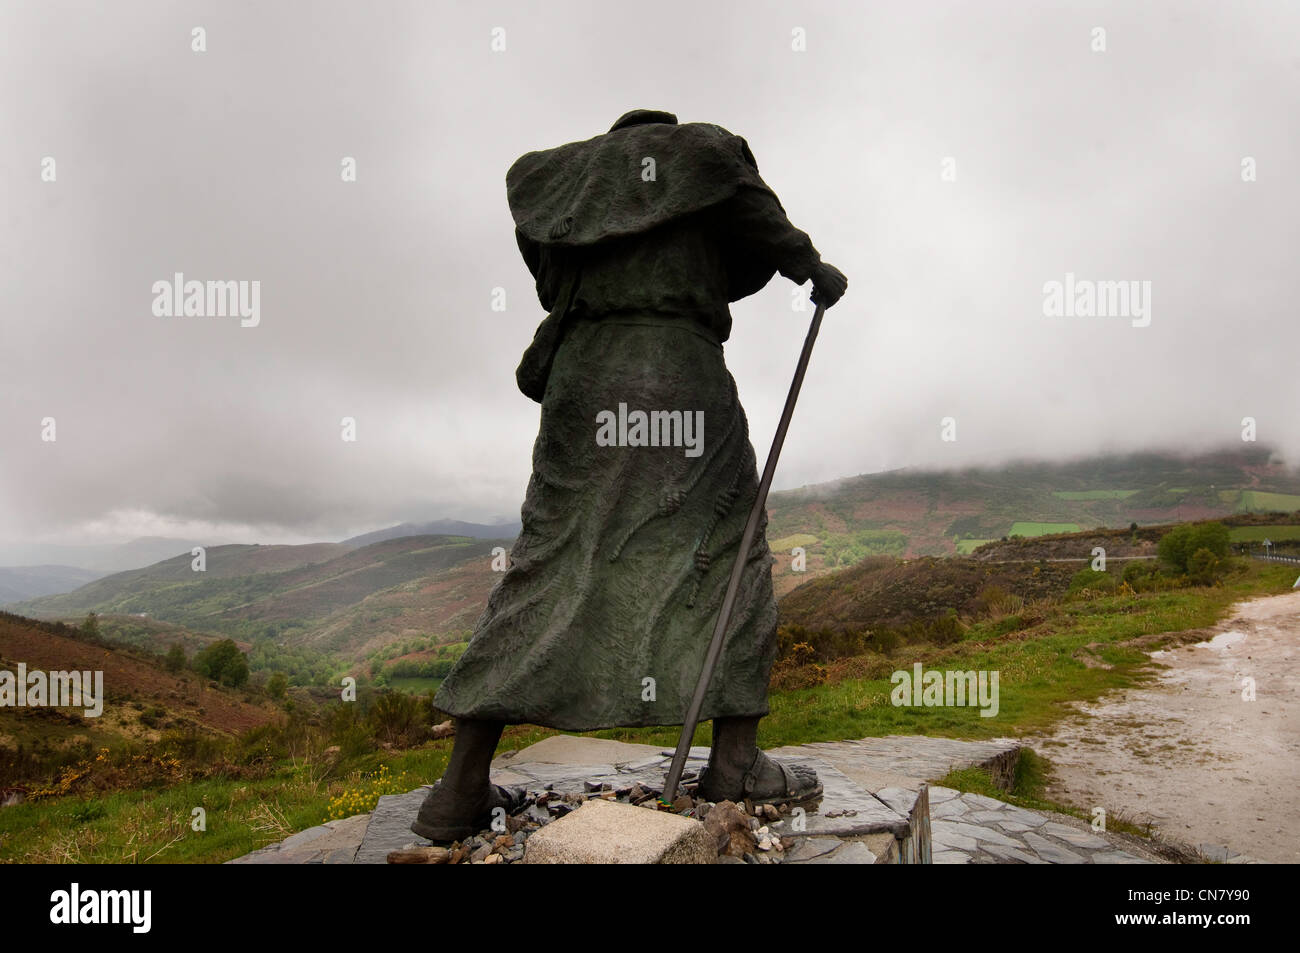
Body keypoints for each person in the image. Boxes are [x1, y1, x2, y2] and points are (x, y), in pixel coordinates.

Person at [413, 109, 847, 841]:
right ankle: (735, 761)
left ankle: (458, 785)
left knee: (552, 556)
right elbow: (758, 217)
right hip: (678, 372)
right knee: (729, 543)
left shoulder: (562, 182)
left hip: (582, 383)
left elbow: (550, 274)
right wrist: (813, 267)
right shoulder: (703, 151)